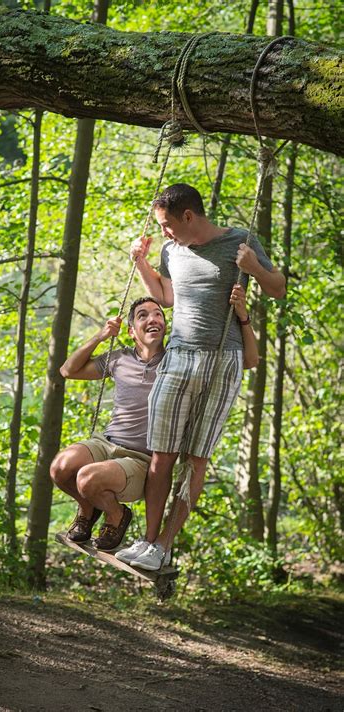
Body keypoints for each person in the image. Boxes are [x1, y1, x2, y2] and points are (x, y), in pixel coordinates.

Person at [116, 182, 285, 570]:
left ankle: (163, 546)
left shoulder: (240, 241)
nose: (163, 232)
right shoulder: (171, 250)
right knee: (161, 454)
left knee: (195, 458)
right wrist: (140, 262)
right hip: (178, 356)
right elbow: (167, 296)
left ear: (188, 216)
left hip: (222, 359)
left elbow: (277, 289)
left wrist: (253, 268)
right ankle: (147, 541)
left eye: (167, 224)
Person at [50, 297, 167, 551]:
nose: (152, 319)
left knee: (87, 478)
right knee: (60, 467)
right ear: (131, 331)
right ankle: (87, 508)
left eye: (158, 314)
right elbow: (68, 370)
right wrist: (101, 336)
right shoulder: (119, 358)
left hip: (138, 459)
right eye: (143, 316)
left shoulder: (173, 363)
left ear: (165, 326)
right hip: (106, 443)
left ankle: (116, 516)